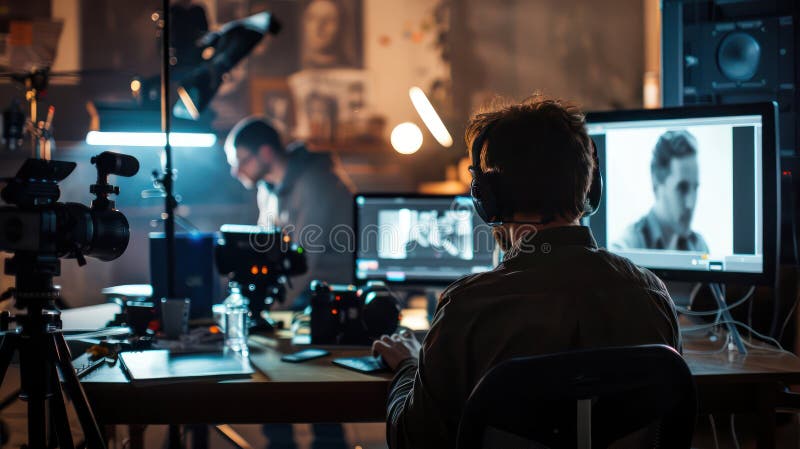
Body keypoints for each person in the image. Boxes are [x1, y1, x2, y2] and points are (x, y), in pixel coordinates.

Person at [371, 96, 682, 449]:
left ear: (489, 198)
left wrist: (408, 367)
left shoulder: (467, 305)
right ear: (590, 187)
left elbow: (413, 442)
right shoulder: (652, 295)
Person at [225, 116, 353, 449]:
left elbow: (303, 264)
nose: (236, 171)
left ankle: (328, 443)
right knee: (263, 365)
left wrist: (265, 310)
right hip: (293, 297)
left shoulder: (316, 183)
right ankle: (279, 442)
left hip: (326, 296)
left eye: (241, 161)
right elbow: (265, 253)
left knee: (312, 389)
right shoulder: (268, 190)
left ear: (265, 153)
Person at [614, 130, 709, 252]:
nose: (690, 203)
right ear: (656, 184)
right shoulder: (626, 248)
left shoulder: (698, 246)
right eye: (682, 188)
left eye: (695, 188)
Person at [301, 0, 355, 68]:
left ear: (342, 26)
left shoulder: (352, 71)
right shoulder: (297, 70)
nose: (319, 27)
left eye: (328, 19)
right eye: (312, 18)